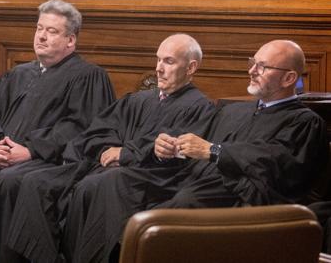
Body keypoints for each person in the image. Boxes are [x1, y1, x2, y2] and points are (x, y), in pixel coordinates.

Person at [64, 40, 327, 263]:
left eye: (263, 67)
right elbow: (192, 139)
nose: (252, 71)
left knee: (180, 204)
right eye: (252, 62)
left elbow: (277, 163)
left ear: (289, 78)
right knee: (116, 181)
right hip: (188, 176)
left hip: (234, 191)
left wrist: (214, 151)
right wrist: (166, 147)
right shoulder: (234, 109)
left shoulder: (303, 121)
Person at [0, 0, 115, 262]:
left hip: (46, 159)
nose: (41, 36)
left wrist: (29, 151)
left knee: (11, 180)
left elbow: (81, 128)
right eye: (39, 28)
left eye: (52, 31)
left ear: (70, 41)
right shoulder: (19, 73)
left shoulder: (88, 76)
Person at [5, 34, 215, 263]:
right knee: (34, 182)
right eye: (158, 60)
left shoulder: (200, 107)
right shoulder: (139, 100)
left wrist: (125, 154)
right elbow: (100, 129)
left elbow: (174, 148)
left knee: (92, 186)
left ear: (191, 67)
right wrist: (107, 148)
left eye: (169, 62)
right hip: (101, 165)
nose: (159, 69)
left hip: (147, 177)